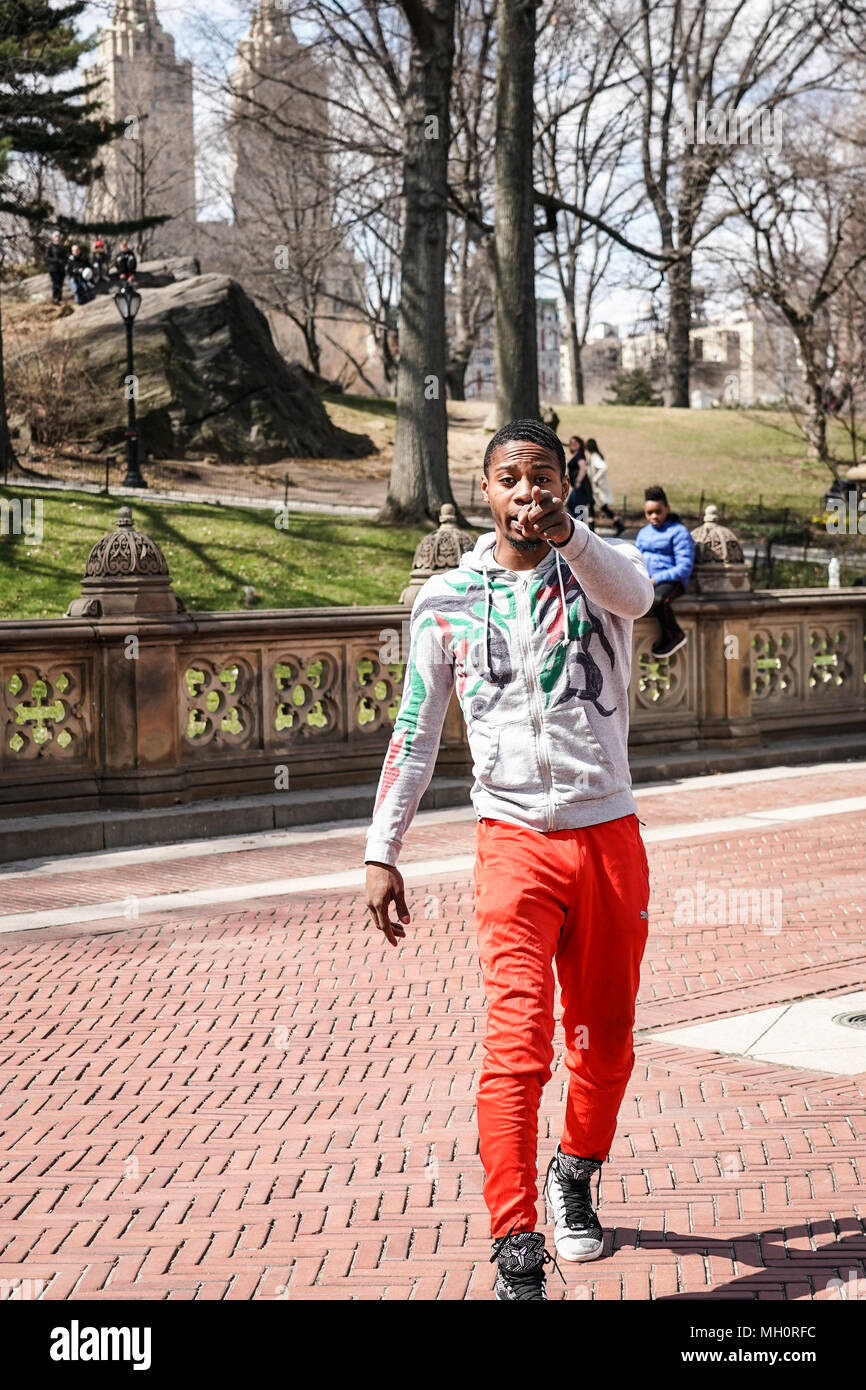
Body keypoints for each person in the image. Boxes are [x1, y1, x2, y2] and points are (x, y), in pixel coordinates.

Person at [364, 418, 654, 1301]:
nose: (526, 490)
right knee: (515, 1048)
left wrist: (571, 535)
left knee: (604, 1044)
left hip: (608, 837)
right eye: (508, 478)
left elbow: (640, 598)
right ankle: (515, 1242)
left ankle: (576, 1168)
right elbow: (415, 731)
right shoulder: (447, 599)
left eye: (542, 476)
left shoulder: (600, 572)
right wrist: (383, 850)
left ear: (565, 485)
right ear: (483, 492)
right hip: (512, 845)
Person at [635, 485, 695, 659]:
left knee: (659, 600)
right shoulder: (643, 533)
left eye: (658, 511)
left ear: (667, 509)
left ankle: (675, 635)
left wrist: (656, 579)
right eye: (649, 513)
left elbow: (684, 568)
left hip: (672, 582)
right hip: (647, 580)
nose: (654, 516)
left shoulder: (679, 532)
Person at [584, 437, 625, 535]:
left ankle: (592, 530)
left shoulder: (595, 457)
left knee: (599, 507)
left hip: (596, 489)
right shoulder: (595, 456)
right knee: (594, 507)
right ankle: (592, 529)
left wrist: (595, 479)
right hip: (594, 489)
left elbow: (603, 467)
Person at [564, 434, 592, 523]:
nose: (573, 443)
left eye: (575, 442)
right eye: (571, 442)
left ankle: (581, 529)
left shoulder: (580, 455)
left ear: (580, 444)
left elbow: (583, 468)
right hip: (577, 486)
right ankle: (578, 524)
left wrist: (578, 481)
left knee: (578, 507)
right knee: (571, 504)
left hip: (580, 485)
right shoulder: (577, 455)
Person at [44, 231, 67, 304]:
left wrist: (64, 262)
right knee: (55, 284)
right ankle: (55, 298)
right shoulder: (50, 246)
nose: (58, 238)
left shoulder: (62, 246)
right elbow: (46, 257)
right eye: (56, 237)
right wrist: (56, 260)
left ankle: (60, 299)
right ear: (53, 238)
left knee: (60, 284)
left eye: (59, 237)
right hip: (53, 269)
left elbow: (65, 257)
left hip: (61, 269)